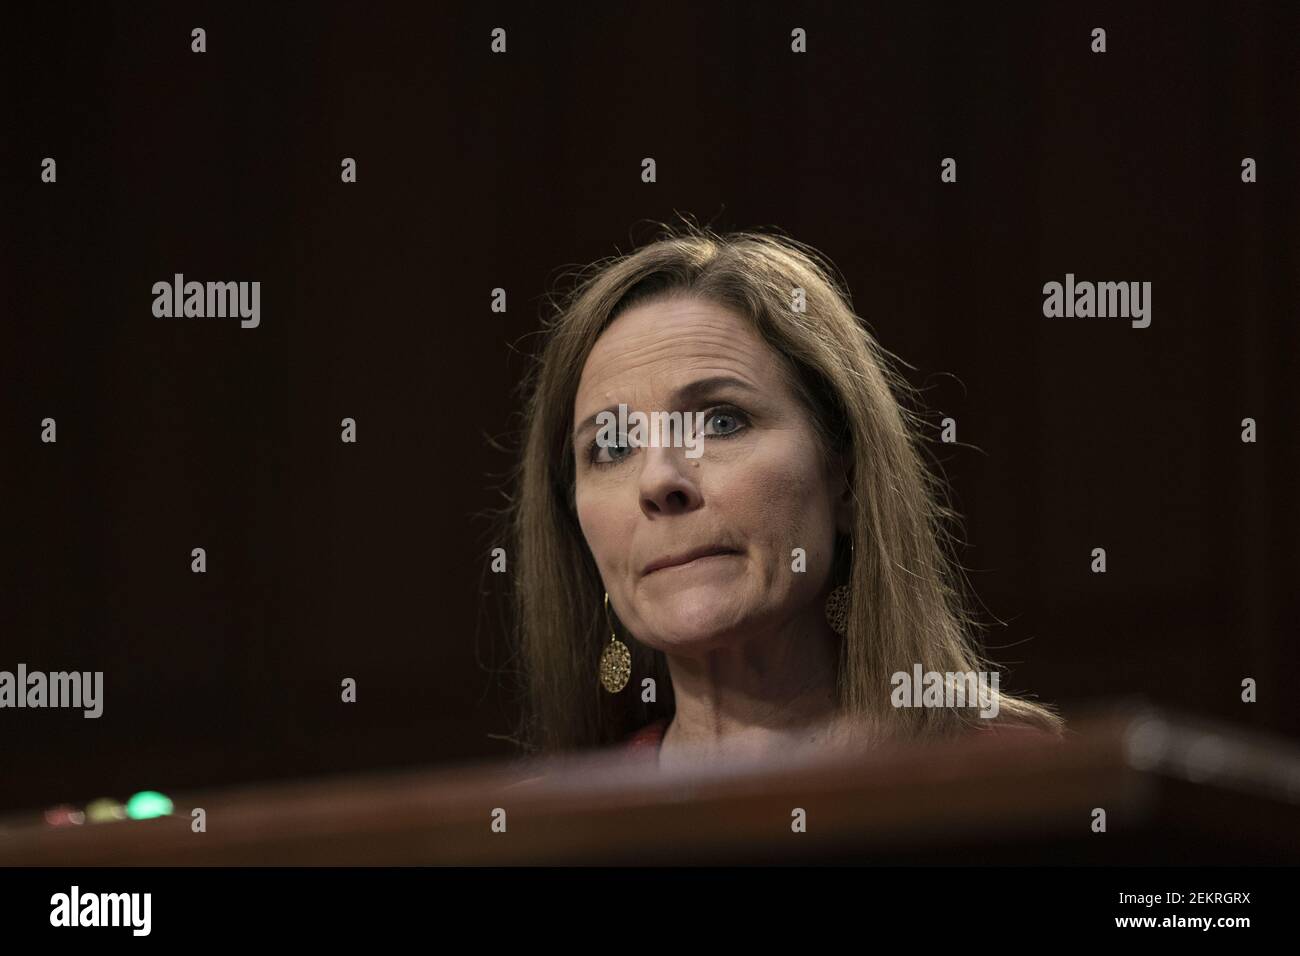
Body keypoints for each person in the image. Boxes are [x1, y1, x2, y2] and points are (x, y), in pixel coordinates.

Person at [495, 223, 1063, 771]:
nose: (658, 481)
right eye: (613, 445)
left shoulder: (1012, 779)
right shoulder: (563, 829)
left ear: (847, 478)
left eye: (720, 422)